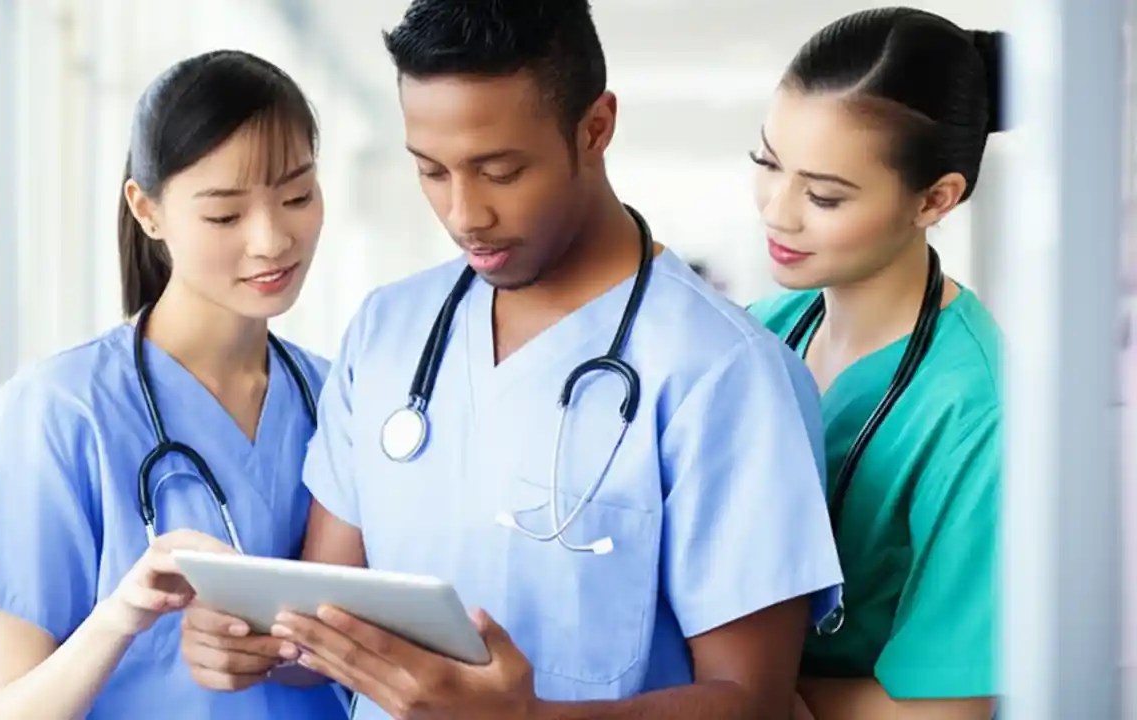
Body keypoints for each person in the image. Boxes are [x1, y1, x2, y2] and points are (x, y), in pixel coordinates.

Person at [180, 2, 843, 718]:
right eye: (432, 171)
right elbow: (327, 616)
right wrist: (253, 640)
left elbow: (753, 700)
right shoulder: (388, 331)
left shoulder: (725, 373)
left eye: (499, 171)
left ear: (595, 129)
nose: (465, 214)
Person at [0, 50, 347, 719]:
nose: (272, 240)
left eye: (297, 196)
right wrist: (122, 614)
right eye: (224, 215)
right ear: (148, 211)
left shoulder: (338, 399)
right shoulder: (64, 409)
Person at [746, 8, 1005, 719]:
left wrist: (744, 699)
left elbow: (948, 712)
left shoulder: (978, 410)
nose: (778, 211)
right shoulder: (760, 334)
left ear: (935, 198)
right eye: (767, 163)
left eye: (824, 195)